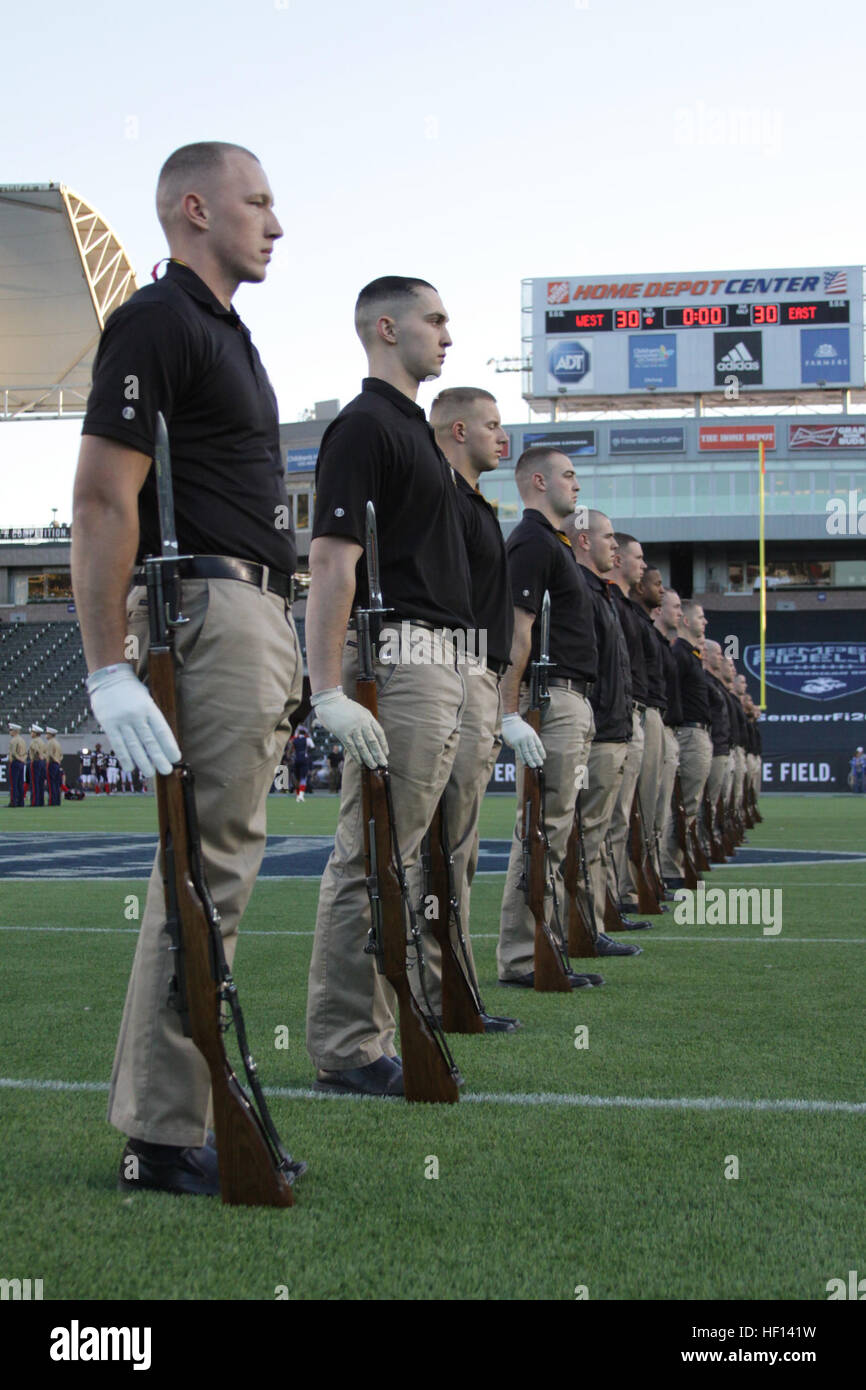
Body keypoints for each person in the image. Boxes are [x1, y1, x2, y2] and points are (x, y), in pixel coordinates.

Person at [72, 140, 303, 1197]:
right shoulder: (160, 319)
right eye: (257, 201)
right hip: (208, 607)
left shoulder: (220, 330)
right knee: (201, 872)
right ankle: (165, 1130)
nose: (275, 220)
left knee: (217, 867)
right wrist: (106, 664)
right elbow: (101, 497)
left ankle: (181, 1112)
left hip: (249, 605)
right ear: (194, 208)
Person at [304, 275, 474, 1097]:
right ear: (385, 327)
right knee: (372, 853)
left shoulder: (413, 432)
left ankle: (370, 1028)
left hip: (436, 658)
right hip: (401, 657)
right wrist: (325, 684)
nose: (447, 335)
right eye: (434, 319)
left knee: (398, 854)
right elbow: (333, 559)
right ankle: (347, 1044)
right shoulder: (366, 425)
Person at [427, 386, 518, 1028]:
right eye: (490, 425)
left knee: (460, 849)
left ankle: (449, 989)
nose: (501, 436)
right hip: (453, 669)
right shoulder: (442, 496)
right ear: (458, 429)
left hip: (475, 673)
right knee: (433, 848)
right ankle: (430, 993)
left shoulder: (474, 504)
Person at [496, 450, 604, 987]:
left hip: (570, 698)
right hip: (551, 697)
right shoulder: (534, 542)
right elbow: (519, 631)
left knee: (554, 830)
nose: (576, 484)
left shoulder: (553, 542)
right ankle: (524, 957)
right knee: (541, 829)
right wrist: (510, 711)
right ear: (539, 481)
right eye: (568, 474)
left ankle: (544, 946)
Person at [566, 510, 642, 957]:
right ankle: (580, 929)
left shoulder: (604, 594)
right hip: (596, 732)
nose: (614, 546)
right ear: (583, 540)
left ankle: (589, 925)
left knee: (596, 833)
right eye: (608, 537)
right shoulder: (583, 590)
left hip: (611, 729)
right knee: (584, 833)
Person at [607, 532, 654, 927]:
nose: (642, 565)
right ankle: (606, 903)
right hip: (619, 715)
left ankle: (612, 899)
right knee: (608, 818)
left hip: (632, 713)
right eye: (637, 558)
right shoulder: (612, 602)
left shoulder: (623, 605)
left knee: (623, 815)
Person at [628, 566, 668, 904]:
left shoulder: (646, 628)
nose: (661, 588)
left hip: (651, 714)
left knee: (653, 809)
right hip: (637, 712)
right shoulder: (628, 616)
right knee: (629, 812)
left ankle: (639, 884)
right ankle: (625, 892)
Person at [667, 600, 713, 883]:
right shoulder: (680, 654)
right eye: (700, 616)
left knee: (691, 805)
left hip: (696, 732)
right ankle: (672, 869)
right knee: (684, 805)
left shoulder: (690, 655)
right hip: (688, 732)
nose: (704, 621)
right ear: (685, 620)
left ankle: (678, 864)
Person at [653, 586, 684, 883]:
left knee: (660, 811)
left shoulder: (667, 647)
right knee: (648, 812)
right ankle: (635, 886)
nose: (681, 615)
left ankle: (653, 878)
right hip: (655, 724)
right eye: (676, 607)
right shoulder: (670, 649)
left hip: (666, 727)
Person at [7, 720, 27, 807]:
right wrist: (22, 760)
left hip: (15, 762)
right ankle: (21, 801)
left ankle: (13, 801)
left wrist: (18, 759)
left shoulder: (13, 740)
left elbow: (14, 753)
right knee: (20, 783)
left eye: (11, 730)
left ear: (15, 731)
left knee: (13, 783)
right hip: (22, 763)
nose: (10, 732)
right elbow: (25, 753)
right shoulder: (22, 740)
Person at [44, 726, 64, 806]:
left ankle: (52, 801)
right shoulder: (57, 743)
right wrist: (58, 760)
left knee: (51, 784)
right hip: (57, 763)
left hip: (51, 763)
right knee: (56, 784)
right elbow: (61, 755)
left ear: (50, 734)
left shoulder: (50, 742)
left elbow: (49, 754)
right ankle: (57, 801)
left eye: (47, 733)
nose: (46, 735)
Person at [28, 723, 46, 806]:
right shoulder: (42, 741)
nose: (31, 733)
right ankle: (41, 801)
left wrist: (39, 756)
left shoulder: (34, 741)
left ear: (35, 733)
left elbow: (36, 750)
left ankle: (34, 802)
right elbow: (45, 752)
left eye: (32, 732)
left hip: (36, 762)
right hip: (42, 763)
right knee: (40, 783)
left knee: (34, 783)